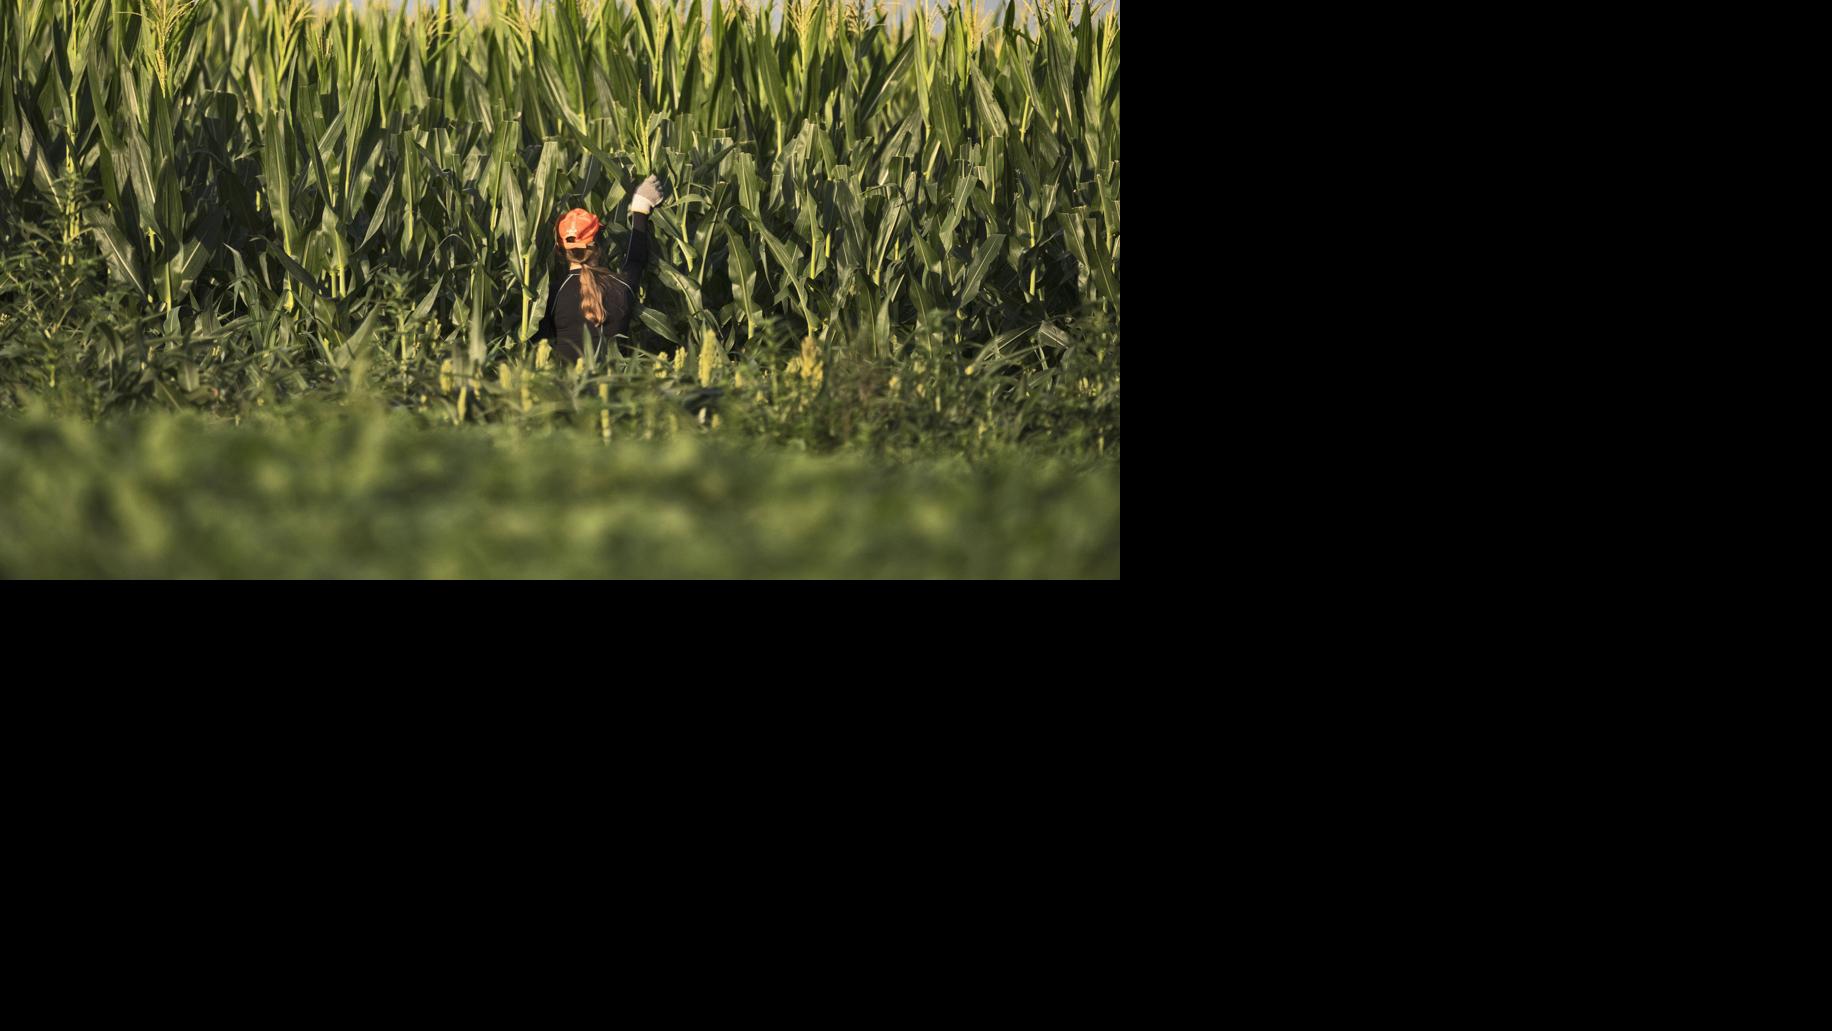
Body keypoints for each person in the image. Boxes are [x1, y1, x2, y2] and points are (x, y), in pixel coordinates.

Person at [531, 174, 669, 365]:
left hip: (567, 383)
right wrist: (641, 208)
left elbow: (540, 347)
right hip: (614, 381)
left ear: (559, 251)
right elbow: (636, 260)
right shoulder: (620, 287)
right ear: (597, 246)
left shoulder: (551, 295)